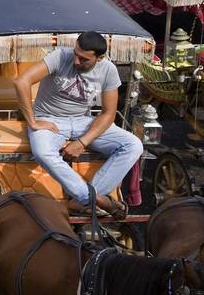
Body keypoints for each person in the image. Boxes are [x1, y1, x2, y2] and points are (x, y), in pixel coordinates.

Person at [13, 32, 142, 218]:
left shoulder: (108, 70)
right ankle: (95, 199)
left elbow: (108, 114)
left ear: (100, 58)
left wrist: (82, 142)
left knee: (134, 145)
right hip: (49, 119)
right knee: (42, 152)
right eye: (75, 53)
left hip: (83, 120)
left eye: (83, 58)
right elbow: (21, 81)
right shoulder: (60, 56)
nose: (76, 61)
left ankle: (84, 199)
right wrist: (32, 121)